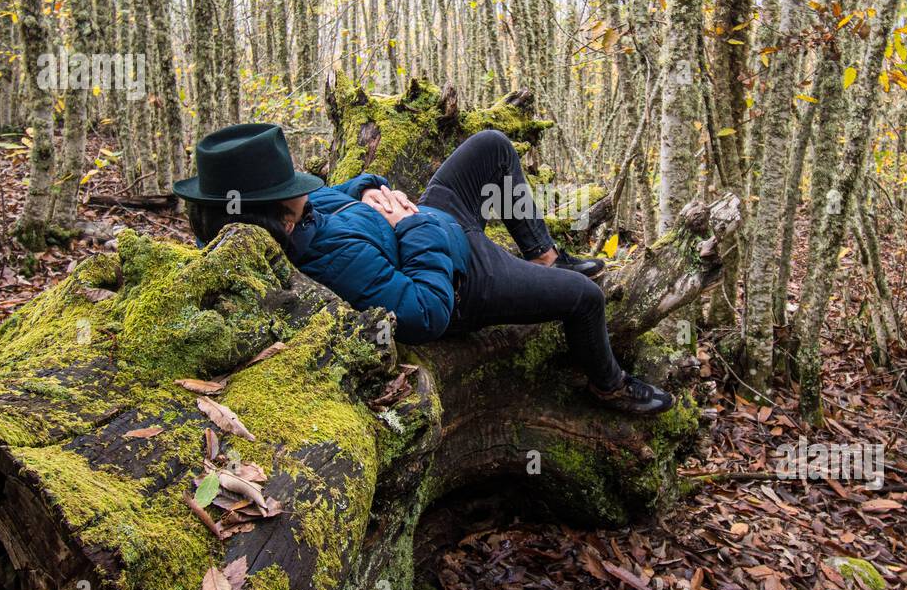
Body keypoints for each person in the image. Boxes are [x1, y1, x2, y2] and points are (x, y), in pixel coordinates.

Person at [173, 123, 674, 415]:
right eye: (291, 189)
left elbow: (335, 191)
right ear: (274, 215)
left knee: (493, 146)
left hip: (439, 223)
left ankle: (543, 252)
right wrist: (413, 227)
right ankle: (609, 384)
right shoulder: (323, 262)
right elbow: (427, 310)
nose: (305, 189)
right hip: (465, 280)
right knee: (584, 299)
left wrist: (367, 190)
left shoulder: (298, 214)